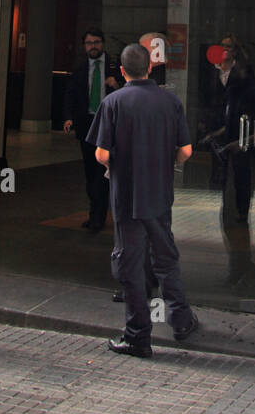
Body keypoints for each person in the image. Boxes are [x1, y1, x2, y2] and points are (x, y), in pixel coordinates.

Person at [87, 42, 197, 358]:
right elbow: (186, 151)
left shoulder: (114, 103)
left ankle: (137, 335)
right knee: (166, 257)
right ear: (150, 67)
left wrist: (114, 166)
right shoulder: (170, 102)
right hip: (160, 193)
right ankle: (181, 320)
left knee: (130, 262)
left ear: (122, 72)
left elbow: (102, 154)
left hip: (126, 196)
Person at [62, 27, 121, 232]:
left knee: (102, 171)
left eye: (96, 42)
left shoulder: (115, 67)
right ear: (84, 46)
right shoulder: (80, 69)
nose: (93, 46)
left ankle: (99, 216)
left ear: (102, 44)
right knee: (90, 170)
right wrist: (68, 118)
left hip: (109, 124)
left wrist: (116, 85)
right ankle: (94, 214)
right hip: (87, 124)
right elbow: (70, 95)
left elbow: (130, 91)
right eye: (89, 43)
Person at [204, 35, 255, 223]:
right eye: (222, 46)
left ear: (235, 50)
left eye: (228, 46)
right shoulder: (215, 72)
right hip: (221, 128)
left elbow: (253, 102)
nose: (224, 49)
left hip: (239, 128)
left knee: (241, 173)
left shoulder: (243, 72)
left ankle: (242, 212)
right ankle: (227, 207)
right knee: (221, 172)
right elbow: (212, 100)